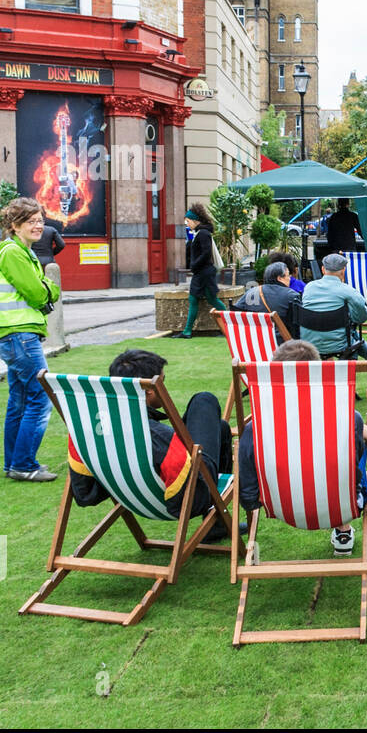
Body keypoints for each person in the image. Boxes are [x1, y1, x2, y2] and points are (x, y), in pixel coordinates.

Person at [237, 339, 367, 555]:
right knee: (351, 446)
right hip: (344, 505)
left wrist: (253, 501)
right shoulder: (347, 420)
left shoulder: (256, 428)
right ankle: (344, 528)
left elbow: (249, 495)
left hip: (282, 508)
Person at [66, 349, 244, 541]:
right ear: (149, 389)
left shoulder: (89, 429)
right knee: (204, 400)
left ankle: (216, 524)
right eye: (163, 382)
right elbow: (183, 494)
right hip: (192, 494)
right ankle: (215, 518)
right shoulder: (155, 436)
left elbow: (84, 494)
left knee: (221, 428)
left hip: (130, 494)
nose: (164, 388)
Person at [0, 197, 62, 482]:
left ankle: (16, 464)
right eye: (31, 221)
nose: (38, 226)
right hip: (19, 335)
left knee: (19, 401)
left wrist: (45, 287)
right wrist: (50, 288)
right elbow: (38, 293)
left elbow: (39, 289)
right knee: (40, 397)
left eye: (40, 221)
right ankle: (23, 464)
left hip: (15, 335)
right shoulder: (14, 252)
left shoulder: (21, 251)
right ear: (14, 225)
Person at [301, 252, 367, 359]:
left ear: (323, 269)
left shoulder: (309, 287)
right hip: (338, 344)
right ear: (343, 271)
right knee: (351, 333)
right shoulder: (348, 290)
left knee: (348, 331)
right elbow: (362, 317)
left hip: (308, 342)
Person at [177, 203, 226, 338]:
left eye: (188, 221)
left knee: (209, 300)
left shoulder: (203, 233)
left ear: (195, 220)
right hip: (203, 272)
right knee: (202, 299)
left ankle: (188, 331)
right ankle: (187, 331)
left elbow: (205, 253)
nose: (187, 224)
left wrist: (194, 265)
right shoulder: (200, 233)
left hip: (203, 273)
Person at [233, 260, 300, 338]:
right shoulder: (291, 295)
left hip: (253, 339)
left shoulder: (251, 292)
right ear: (280, 278)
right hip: (282, 343)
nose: (290, 278)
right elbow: (300, 323)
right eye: (288, 275)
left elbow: (235, 311)